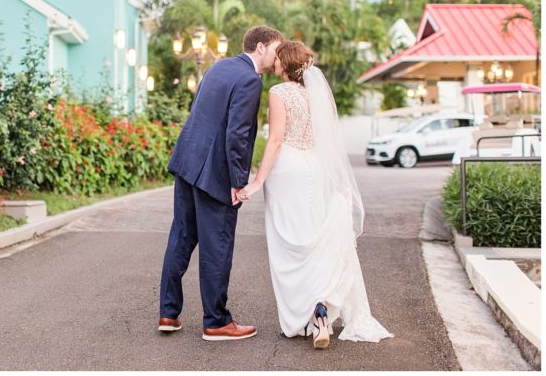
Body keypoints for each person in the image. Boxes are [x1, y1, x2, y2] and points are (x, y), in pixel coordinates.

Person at [238, 40, 393, 349]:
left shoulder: (278, 93)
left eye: (279, 59)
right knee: (314, 236)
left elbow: (277, 139)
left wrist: (257, 181)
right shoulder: (316, 94)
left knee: (288, 242)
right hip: (315, 165)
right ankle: (320, 308)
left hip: (288, 170)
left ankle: (300, 316)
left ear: (286, 64)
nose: (275, 63)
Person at [158, 25, 284, 341]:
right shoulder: (250, 79)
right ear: (260, 47)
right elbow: (238, 135)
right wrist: (237, 181)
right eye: (275, 49)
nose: (277, 56)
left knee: (181, 237)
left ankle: (168, 313)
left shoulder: (219, 67)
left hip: (187, 162)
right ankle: (216, 321)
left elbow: (201, 114)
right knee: (218, 245)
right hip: (215, 173)